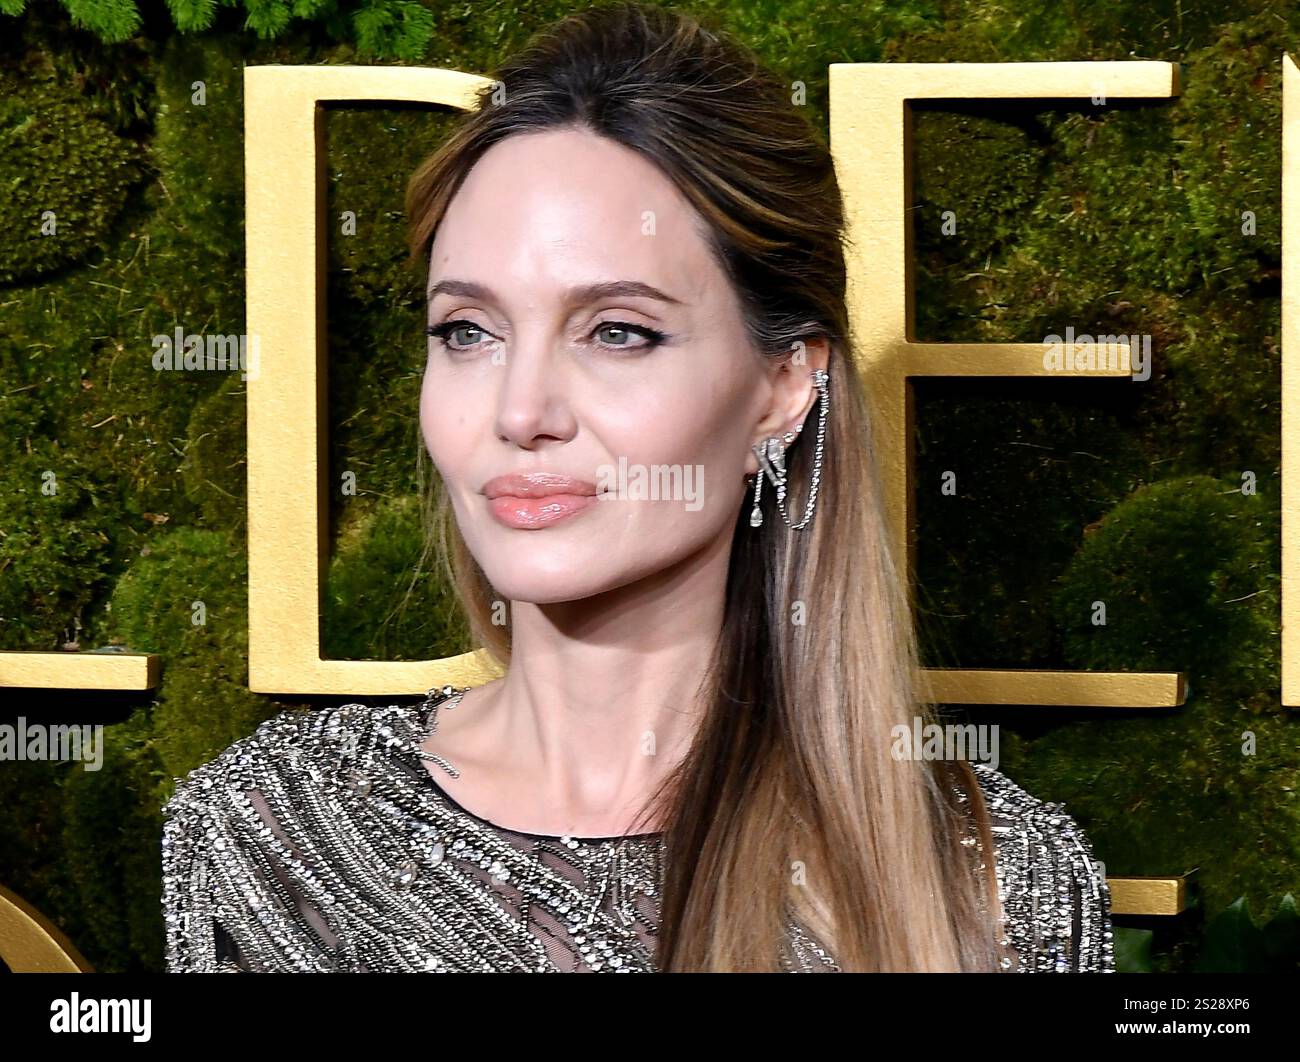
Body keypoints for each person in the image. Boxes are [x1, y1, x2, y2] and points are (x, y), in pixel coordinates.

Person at [162, 0, 1113, 973]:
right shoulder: (276, 832)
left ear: (782, 387)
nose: (520, 410)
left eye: (617, 331)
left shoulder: (995, 887)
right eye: (468, 332)